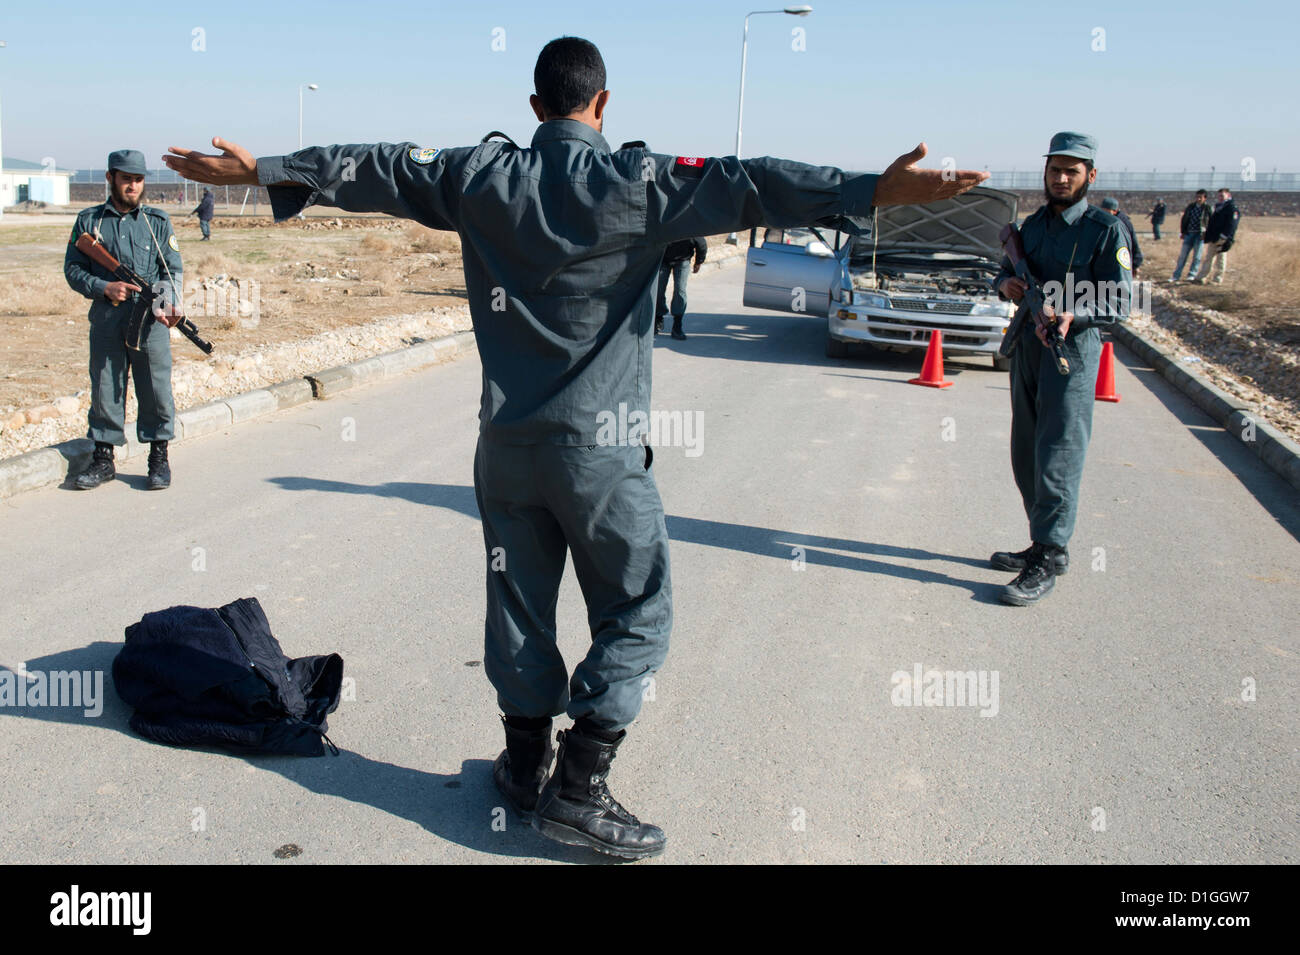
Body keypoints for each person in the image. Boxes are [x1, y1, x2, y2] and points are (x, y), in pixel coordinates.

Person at [161, 35, 987, 859]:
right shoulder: (643, 182)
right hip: (600, 449)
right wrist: (873, 189)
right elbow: (753, 180)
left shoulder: (478, 176)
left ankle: (524, 769)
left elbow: (377, 165)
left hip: (507, 445)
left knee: (518, 602)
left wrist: (265, 167)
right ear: (602, 106)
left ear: (534, 109)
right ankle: (580, 786)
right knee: (638, 608)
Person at [992, 132, 1131, 606]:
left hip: (1071, 351)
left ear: (1090, 176)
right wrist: (1006, 283)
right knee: (1025, 449)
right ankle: (1041, 539)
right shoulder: (1029, 227)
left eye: (1073, 170)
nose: (1062, 177)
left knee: (1059, 451)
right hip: (1029, 347)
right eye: (1056, 169)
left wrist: (1077, 313)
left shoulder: (1104, 229)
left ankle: (1050, 554)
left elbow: (1121, 298)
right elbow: (999, 273)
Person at [64, 149, 184, 491]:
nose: (133, 186)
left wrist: (164, 302)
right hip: (107, 318)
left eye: (138, 179)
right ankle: (103, 459)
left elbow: (171, 270)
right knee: (105, 386)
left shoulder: (156, 222)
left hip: (149, 321)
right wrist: (104, 287)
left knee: (156, 388)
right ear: (110, 179)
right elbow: (72, 269)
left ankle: (158, 457)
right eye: (126, 179)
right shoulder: (90, 222)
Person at [656, 236, 706, 339]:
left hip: (683, 260)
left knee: (680, 291)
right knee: (658, 290)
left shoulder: (689, 221)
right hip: (663, 260)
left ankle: (677, 325)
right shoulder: (664, 220)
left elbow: (701, 243)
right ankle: (658, 317)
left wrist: (699, 261)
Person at [1192, 187, 1239, 285]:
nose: (1220, 198)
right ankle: (1201, 277)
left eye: (1222, 196)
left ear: (1228, 196)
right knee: (1208, 258)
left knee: (1220, 260)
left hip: (1222, 238)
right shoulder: (1218, 207)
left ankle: (1217, 280)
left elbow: (1232, 224)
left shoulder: (1231, 208)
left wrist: (1225, 237)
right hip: (1214, 237)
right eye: (1219, 196)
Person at [1171, 189, 1210, 281]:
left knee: (1197, 257)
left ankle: (1192, 274)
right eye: (1197, 197)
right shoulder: (1191, 207)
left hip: (1200, 235)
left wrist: (1206, 234)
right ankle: (1176, 275)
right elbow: (1184, 219)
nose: (1198, 199)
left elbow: (1210, 222)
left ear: (1205, 198)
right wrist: (1183, 232)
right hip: (1189, 234)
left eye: (1201, 197)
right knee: (1183, 256)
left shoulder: (1207, 208)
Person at [1101, 197, 1143, 277]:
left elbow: (1132, 242)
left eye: (1107, 212)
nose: (1104, 214)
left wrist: (1135, 264)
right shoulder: (1104, 219)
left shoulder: (1122, 223)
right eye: (1103, 211)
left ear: (1115, 211)